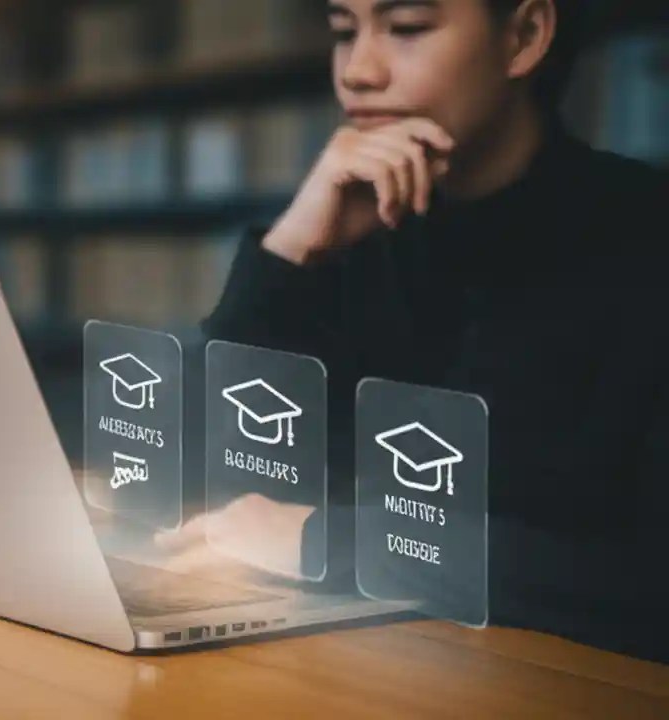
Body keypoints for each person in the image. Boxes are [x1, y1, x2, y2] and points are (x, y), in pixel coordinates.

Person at [156, 0, 668, 662]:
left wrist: (325, 541)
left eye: (406, 28)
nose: (357, 73)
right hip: (350, 672)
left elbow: (640, 582)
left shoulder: (644, 242)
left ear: (524, 35)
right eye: (344, 32)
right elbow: (193, 489)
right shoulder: (355, 229)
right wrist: (288, 253)